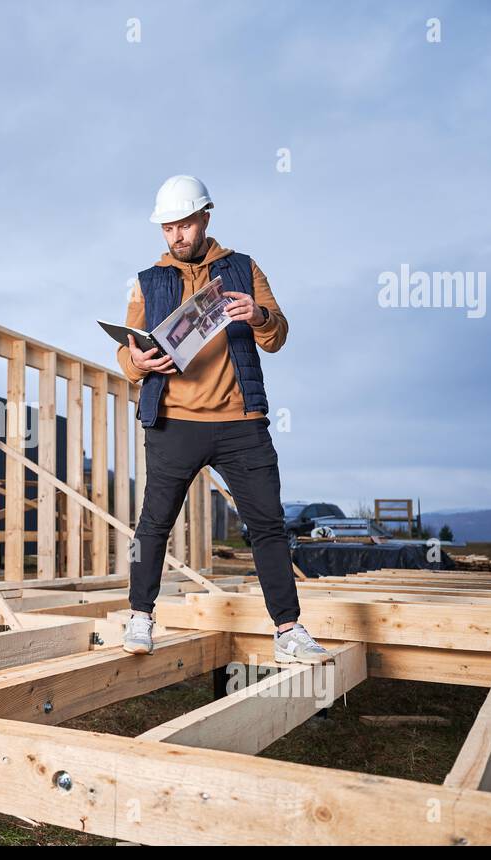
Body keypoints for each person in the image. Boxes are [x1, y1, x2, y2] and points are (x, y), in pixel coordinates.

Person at [116, 175, 329, 664]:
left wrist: (258, 317)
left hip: (241, 423)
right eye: (168, 228)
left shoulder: (244, 268)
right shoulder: (147, 281)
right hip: (174, 422)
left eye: (184, 224)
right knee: (153, 524)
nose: (176, 236)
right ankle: (140, 616)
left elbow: (277, 336)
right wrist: (137, 364)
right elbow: (127, 355)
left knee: (268, 525)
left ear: (205, 217)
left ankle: (288, 630)